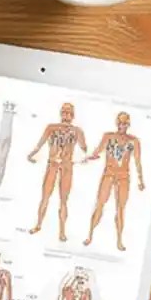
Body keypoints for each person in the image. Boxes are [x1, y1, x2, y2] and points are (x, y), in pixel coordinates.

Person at [83, 111, 144, 251]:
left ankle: (119, 240)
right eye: (120, 123)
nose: (122, 126)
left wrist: (141, 179)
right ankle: (90, 235)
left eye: (125, 123)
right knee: (100, 204)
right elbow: (97, 151)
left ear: (128, 124)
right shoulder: (108, 136)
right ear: (117, 123)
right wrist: (89, 157)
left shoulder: (134, 141)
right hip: (109, 174)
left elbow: (137, 161)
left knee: (121, 208)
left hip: (123, 176)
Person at [27, 103, 88, 241]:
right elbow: (40, 144)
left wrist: (82, 154)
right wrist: (31, 155)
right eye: (64, 112)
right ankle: (38, 224)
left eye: (69, 113)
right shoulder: (52, 128)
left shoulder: (77, 131)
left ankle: (62, 231)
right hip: (53, 164)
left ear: (73, 116)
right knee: (45, 196)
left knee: (63, 200)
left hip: (67, 166)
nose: (66, 116)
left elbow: (84, 148)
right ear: (61, 113)